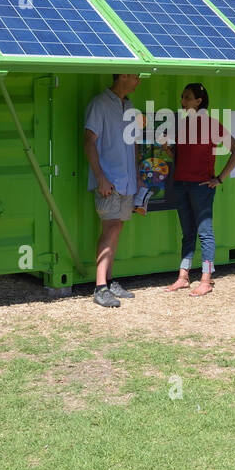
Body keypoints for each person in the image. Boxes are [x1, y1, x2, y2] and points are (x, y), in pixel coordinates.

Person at [162, 83, 235, 297]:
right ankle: (183, 277)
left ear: (199, 101)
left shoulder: (212, 125)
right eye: (182, 97)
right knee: (188, 233)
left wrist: (219, 179)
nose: (183, 101)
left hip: (201, 187)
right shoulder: (181, 126)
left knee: (205, 233)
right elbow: (181, 159)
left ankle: (206, 280)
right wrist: (168, 150)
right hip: (181, 184)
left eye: (188, 97)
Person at [84, 72, 141, 308]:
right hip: (109, 180)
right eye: (136, 77)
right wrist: (100, 177)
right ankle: (100, 287)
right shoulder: (99, 104)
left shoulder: (129, 105)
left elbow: (134, 142)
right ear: (123, 76)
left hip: (127, 181)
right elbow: (88, 140)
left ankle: (109, 280)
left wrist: (138, 177)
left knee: (117, 227)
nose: (138, 81)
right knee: (111, 226)